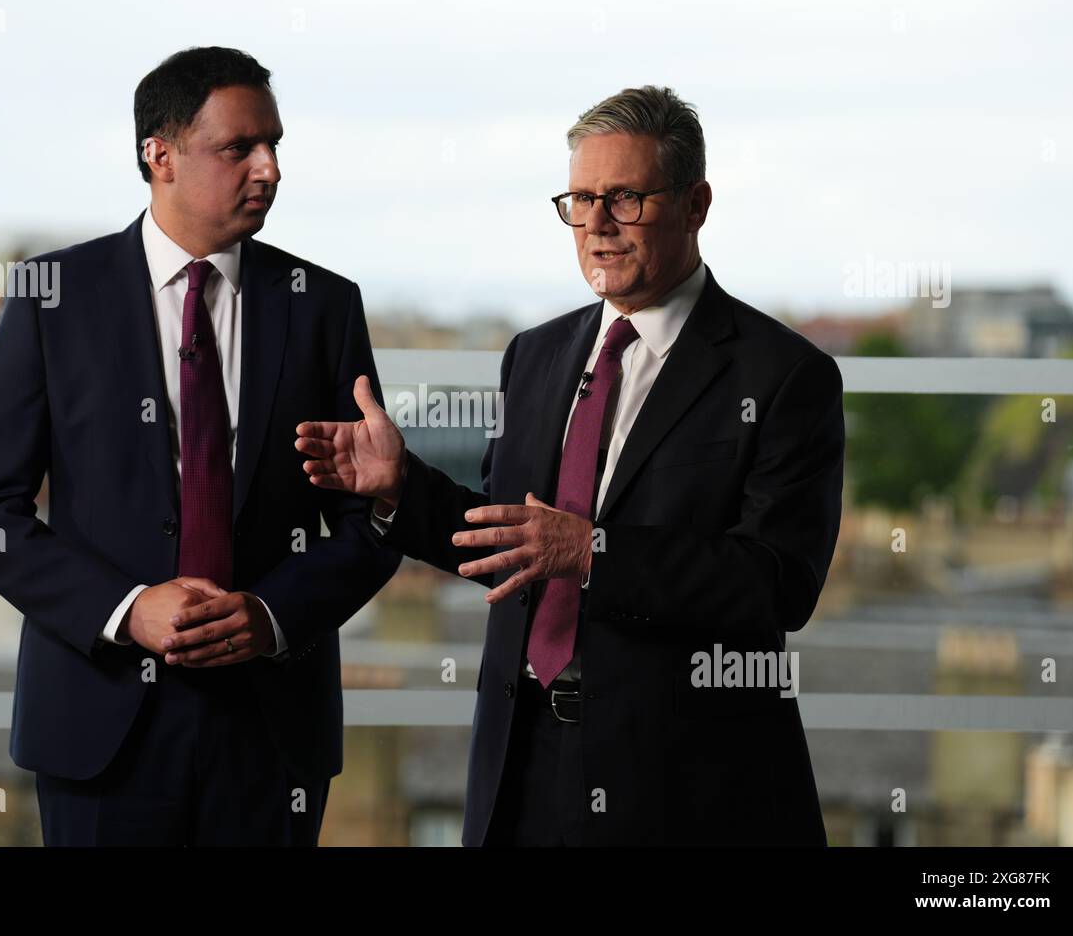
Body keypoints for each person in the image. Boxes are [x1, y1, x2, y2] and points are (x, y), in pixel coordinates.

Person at [296, 86, 844, 846]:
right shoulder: (536, 353)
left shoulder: (783, 375)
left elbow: (777, 583)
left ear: (696, 204)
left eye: (624, 198)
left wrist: (592, 551)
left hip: (683, 785)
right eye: (580, 200)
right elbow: (512, 543)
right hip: (522, 766)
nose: (597, 225)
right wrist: (401, 488)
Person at [0, 46, 399, 845]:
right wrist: (127, 612)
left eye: (275, 145)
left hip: (271, 735)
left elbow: (373, 525)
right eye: (239, 148)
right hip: (98, 727)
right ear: (157, 155)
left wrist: (268, 615)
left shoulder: (324, 306)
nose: (269, 169)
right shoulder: (49, 300)